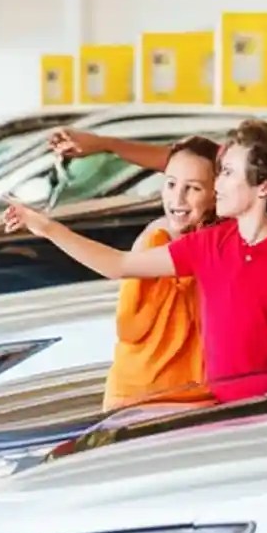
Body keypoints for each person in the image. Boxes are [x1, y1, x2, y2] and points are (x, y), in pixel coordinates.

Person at [5, 119, 267, 403]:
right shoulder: (208, 244)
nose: (218, 184)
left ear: (264, 187)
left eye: (226, 174)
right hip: (217, 410)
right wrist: (46, 227)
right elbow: (118, 265)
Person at [84, 135, 217, 410]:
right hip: (137, 398)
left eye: (192, 188)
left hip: (196, 402)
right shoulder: (154, 238)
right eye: (170, 184)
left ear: (218, 192)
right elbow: (129, 321)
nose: (177, 198)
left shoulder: (224, 243)